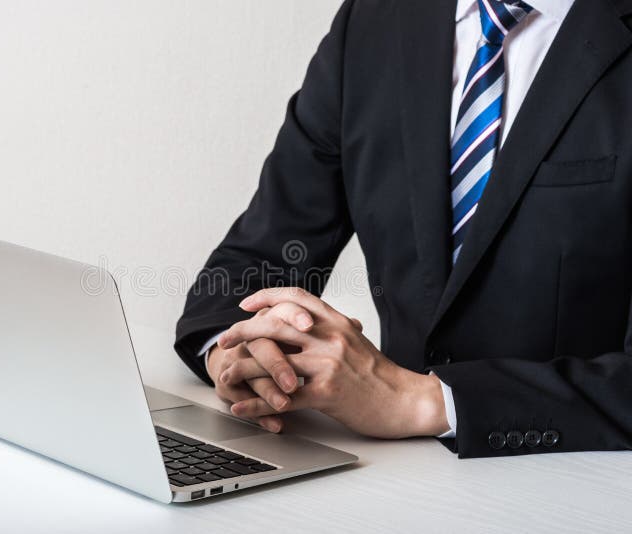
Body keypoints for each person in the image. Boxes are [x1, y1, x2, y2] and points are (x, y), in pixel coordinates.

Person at [174, 0, 632, 457]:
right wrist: (240, 351)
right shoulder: (376, 17)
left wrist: (424, 400)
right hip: (394, 474)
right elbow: (259, 259)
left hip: (581, 484)